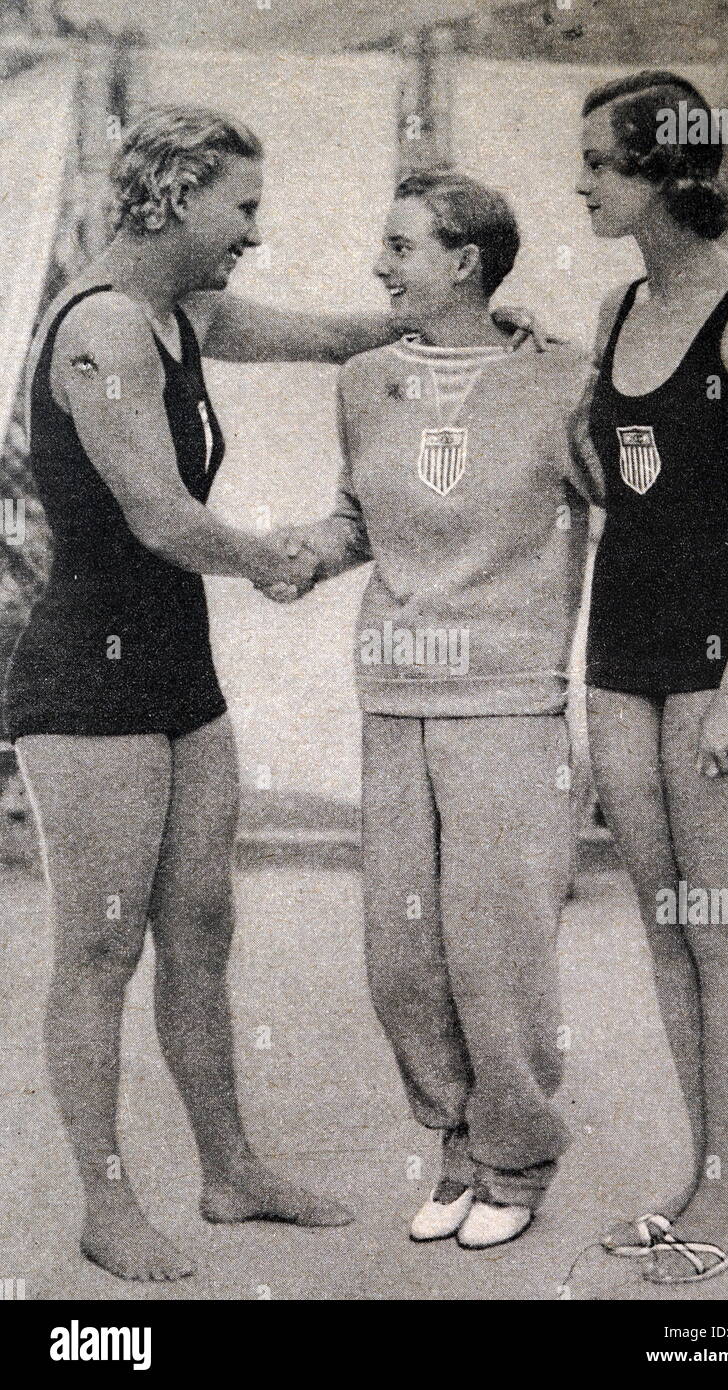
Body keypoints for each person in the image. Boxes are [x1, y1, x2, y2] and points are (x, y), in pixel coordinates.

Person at [2, 105, 539, 1283]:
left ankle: (230, 1171)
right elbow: (161, 517)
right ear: (176, 197)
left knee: (201, 929)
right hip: (84, 679)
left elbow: (319, 337)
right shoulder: (100, 328)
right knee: (98, 951)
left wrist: (457, 324)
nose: (256, 228)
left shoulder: (178, 310)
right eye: (241, 206)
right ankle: (104, 1201)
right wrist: (284, 555)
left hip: (176, 670)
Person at [269, 170, 596, 1250]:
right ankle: (457, 1141)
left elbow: (637, 513)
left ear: (465, 263)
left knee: (494, 949)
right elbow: (356, 515)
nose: (379, 264)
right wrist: (309, 551)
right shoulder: (366, 381)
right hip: (395, 691)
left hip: (509, 701)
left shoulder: (564, 382)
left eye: (400, 247)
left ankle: (516, 1158)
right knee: (401, 957)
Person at [573, 71, 728, 1283]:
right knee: (664, 922)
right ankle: (697, 1171)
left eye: (601, 166)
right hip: (624, 647)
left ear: (667, 173)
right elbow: (606, 463)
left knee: (718, 923)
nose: (582, 184)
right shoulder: (619, 309)